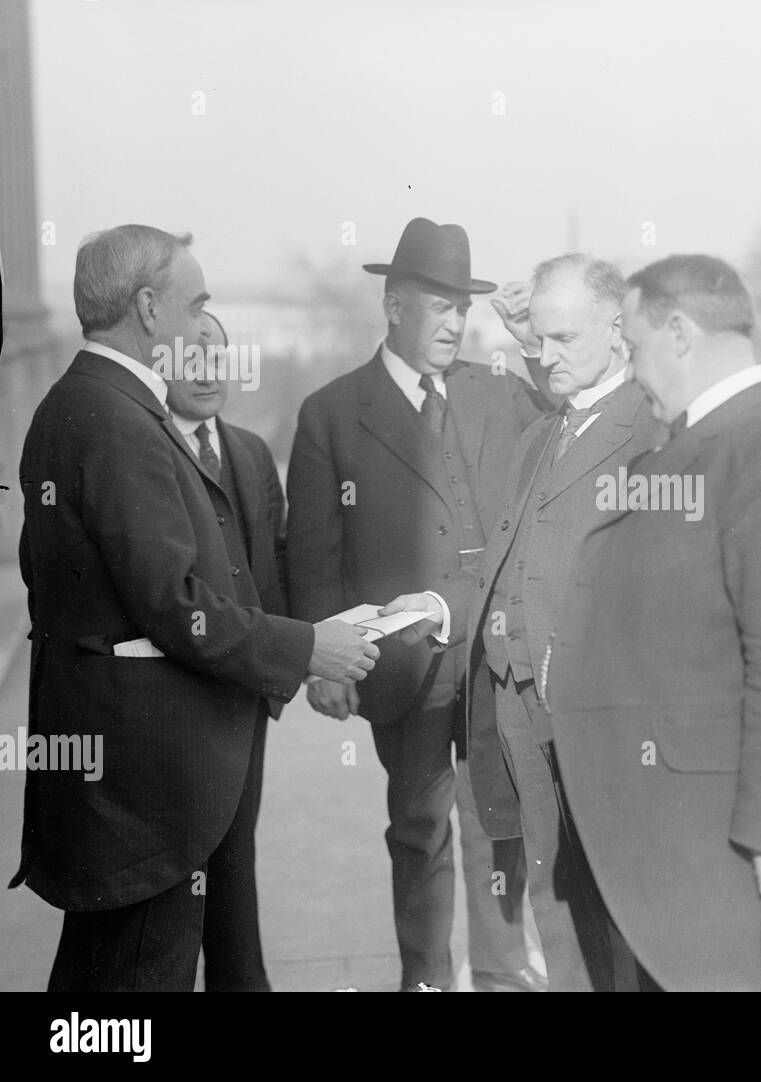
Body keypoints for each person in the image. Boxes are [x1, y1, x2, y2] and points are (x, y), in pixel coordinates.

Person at [11, 225, 377, 992]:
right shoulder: (120, 421)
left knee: (98, 991)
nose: (203, 322)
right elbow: (177, 604)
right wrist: (310, 648)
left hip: (119, 782)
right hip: (146, 792)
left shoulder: (82, 403)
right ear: (148, 308)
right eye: (195, 302)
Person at [545, 254, 761, 990]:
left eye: (634, 341)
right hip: (655, 839)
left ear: (680, 333)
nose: (630, 365)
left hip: (715, 850)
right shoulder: (690, 444)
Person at [384, 253, 662, 991]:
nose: (548, 355)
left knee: (618, 907)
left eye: (566, 338)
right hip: (516, 718)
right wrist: (441, 607)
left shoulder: (651, 430)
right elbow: (503, 566)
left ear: (618, 328)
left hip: (593, 721)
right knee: (555, 898)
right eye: (538, 340)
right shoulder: (543, 434)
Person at [286, 218, 550, 992]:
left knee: (497, 821)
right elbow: (314, 553)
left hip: (494, 655)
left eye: (463, 307)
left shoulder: (496, 391)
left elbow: (570, 426)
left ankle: (503, 973)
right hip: (406, 665)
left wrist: (530, 341)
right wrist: (320, 664)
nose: (456, 322)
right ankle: (426, 979)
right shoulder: (333, 413)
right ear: (395, 305)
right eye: (439, 306)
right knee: (421, 827)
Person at [162, 310, 285, 991]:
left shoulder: (250, 451)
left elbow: (276, 564)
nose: (208, 371)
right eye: (191, 355)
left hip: (245, 704)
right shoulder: (149, 452)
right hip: (179, 707)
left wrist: (289, 671)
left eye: (219, 355)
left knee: (236, 865)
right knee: (182, 881)